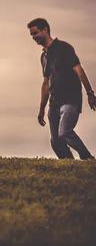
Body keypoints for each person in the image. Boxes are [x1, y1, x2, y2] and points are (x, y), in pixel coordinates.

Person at [28, 18, 96, 160]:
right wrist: (41, 109)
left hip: (70, 100)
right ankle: (69, 166)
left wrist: (90, 94)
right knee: (56, 142)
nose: (34, 37)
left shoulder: (64, 48)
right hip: (54, 103)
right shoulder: (43, 57)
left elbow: (79, 71)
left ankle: (88, 159)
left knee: (64, 132)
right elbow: (45, 83)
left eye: (35, 33)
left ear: (45, 30)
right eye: (32, 35)